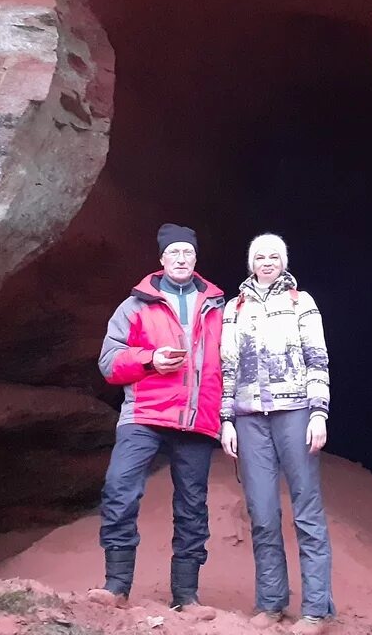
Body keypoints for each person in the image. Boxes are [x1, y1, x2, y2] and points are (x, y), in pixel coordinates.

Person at [88, 223, 225, 617]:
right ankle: (116, 586)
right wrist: (150, 359)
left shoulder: (218, 307)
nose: (181, 260)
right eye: (174, 253)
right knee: (119, 488)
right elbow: (109, 363)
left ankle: (187, 597)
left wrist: (227, 417)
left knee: (193, 507)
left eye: (188, 253)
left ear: (196, 259)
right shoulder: (135, 305)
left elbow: (230, 365)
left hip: (196, 419)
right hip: (144, 413)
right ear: (161, 259)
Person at [220, 232, 334, 631]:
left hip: (295, 412)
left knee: (307, 509)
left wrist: (319, 413)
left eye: (274, 256)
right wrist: (226, 420)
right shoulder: (234, 308)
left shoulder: (301, 302)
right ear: (250, 263)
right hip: (250, 417)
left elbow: (316, 359)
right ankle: (271, 603)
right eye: (259, 257)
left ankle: (316, 609)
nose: (266, 262)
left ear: (284, 262)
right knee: (263, 513)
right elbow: (228, 367)